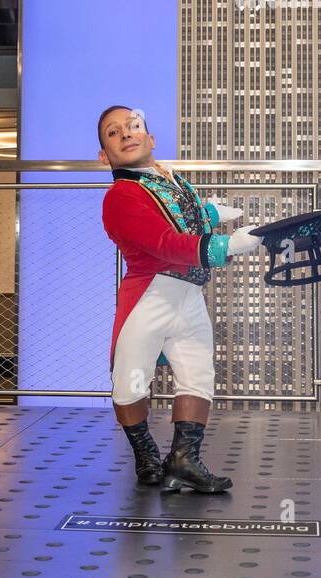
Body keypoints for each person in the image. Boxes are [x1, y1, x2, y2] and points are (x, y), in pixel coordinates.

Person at [98, 105, 263, 493]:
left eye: (133, 126)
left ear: (150, 138)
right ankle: (145, 454)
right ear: (103, 157)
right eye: (112, 132)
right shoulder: (120, 196)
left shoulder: (172, 181)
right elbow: (165, 244)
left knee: (198, 376)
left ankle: (184, 460)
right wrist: (229, 244)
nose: (125, 134)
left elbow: (180, 219)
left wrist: (207, 212)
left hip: (188, 296)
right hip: (150, 298)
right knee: (130, 382)